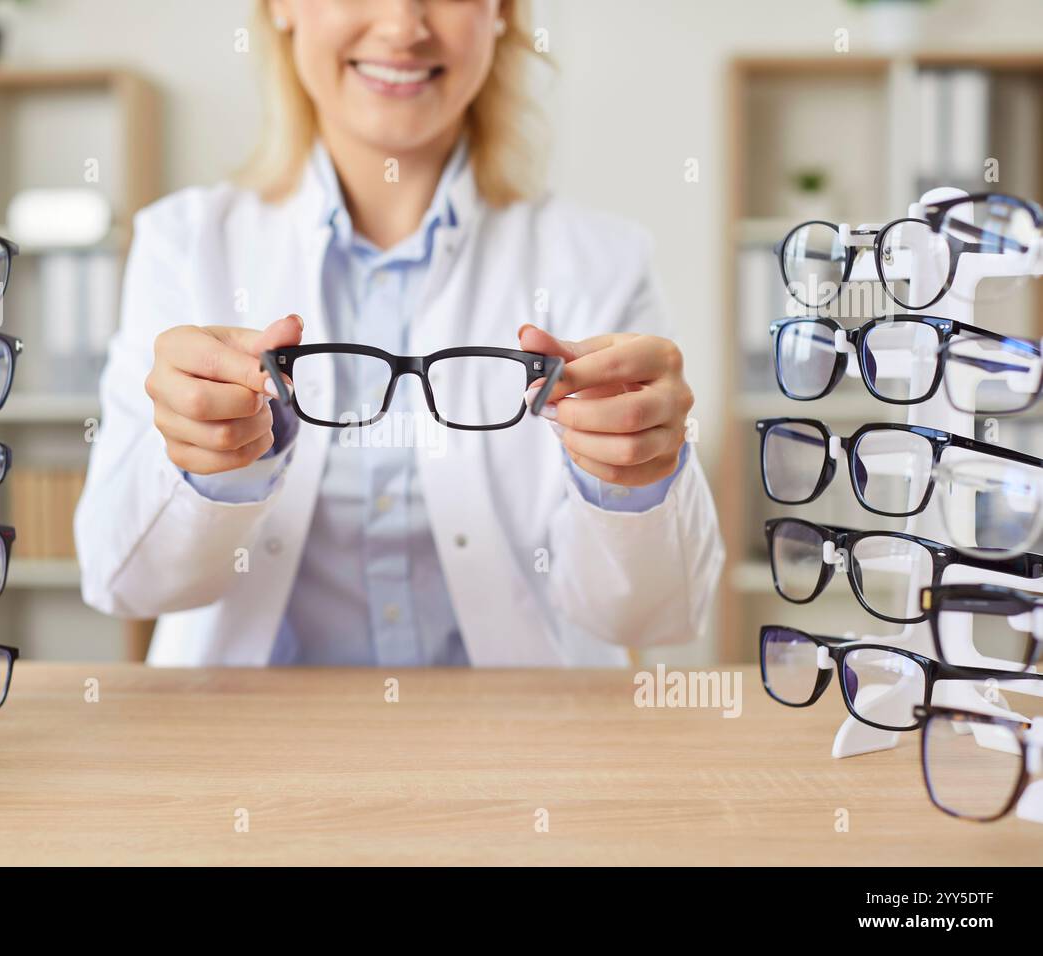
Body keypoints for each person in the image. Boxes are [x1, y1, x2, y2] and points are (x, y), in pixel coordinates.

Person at [75, 0, 724, 666]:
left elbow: (658, 614)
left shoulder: (605, 261)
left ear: (501, 11)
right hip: (252, 728)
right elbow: (123, 579)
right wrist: (208, 463)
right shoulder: (184, 245)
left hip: (521, 728)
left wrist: (634, 479)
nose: (402, 27)